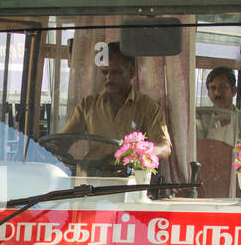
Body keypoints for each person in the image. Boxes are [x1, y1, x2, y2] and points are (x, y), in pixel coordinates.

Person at [58, 42, 172, 174]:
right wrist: (41, 151)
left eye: (115, 73)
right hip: (91, 184)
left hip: (129, 184)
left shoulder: (148, 108)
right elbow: (62, 142)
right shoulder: (87, 106)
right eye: (105, 73)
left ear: (131, 72)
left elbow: (165, 147)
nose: (108, 79)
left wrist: (142, 152)